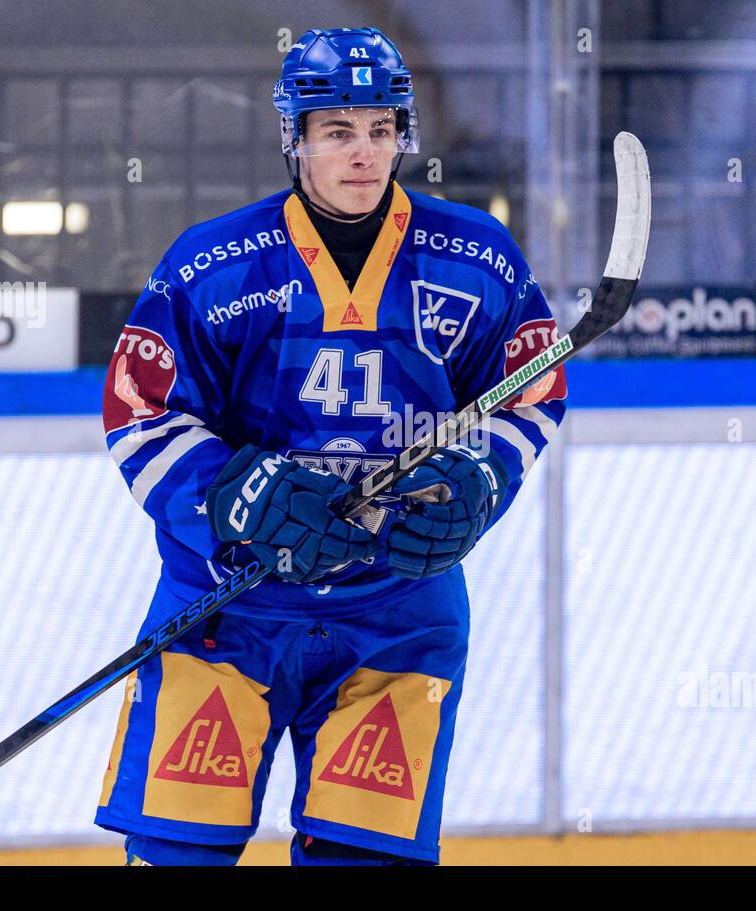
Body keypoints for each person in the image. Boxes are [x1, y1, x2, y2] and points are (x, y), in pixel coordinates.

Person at [95, 26, 567, 865]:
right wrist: (234, 494)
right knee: (176, 858)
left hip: (396, 617)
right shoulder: (215, 264)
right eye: (339, 130)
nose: (364, 153)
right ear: (296, 139)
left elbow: (530, 391)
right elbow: (140, 411)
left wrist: (482, 477)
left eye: (381, 129)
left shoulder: (476, 258)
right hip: (226, 610)